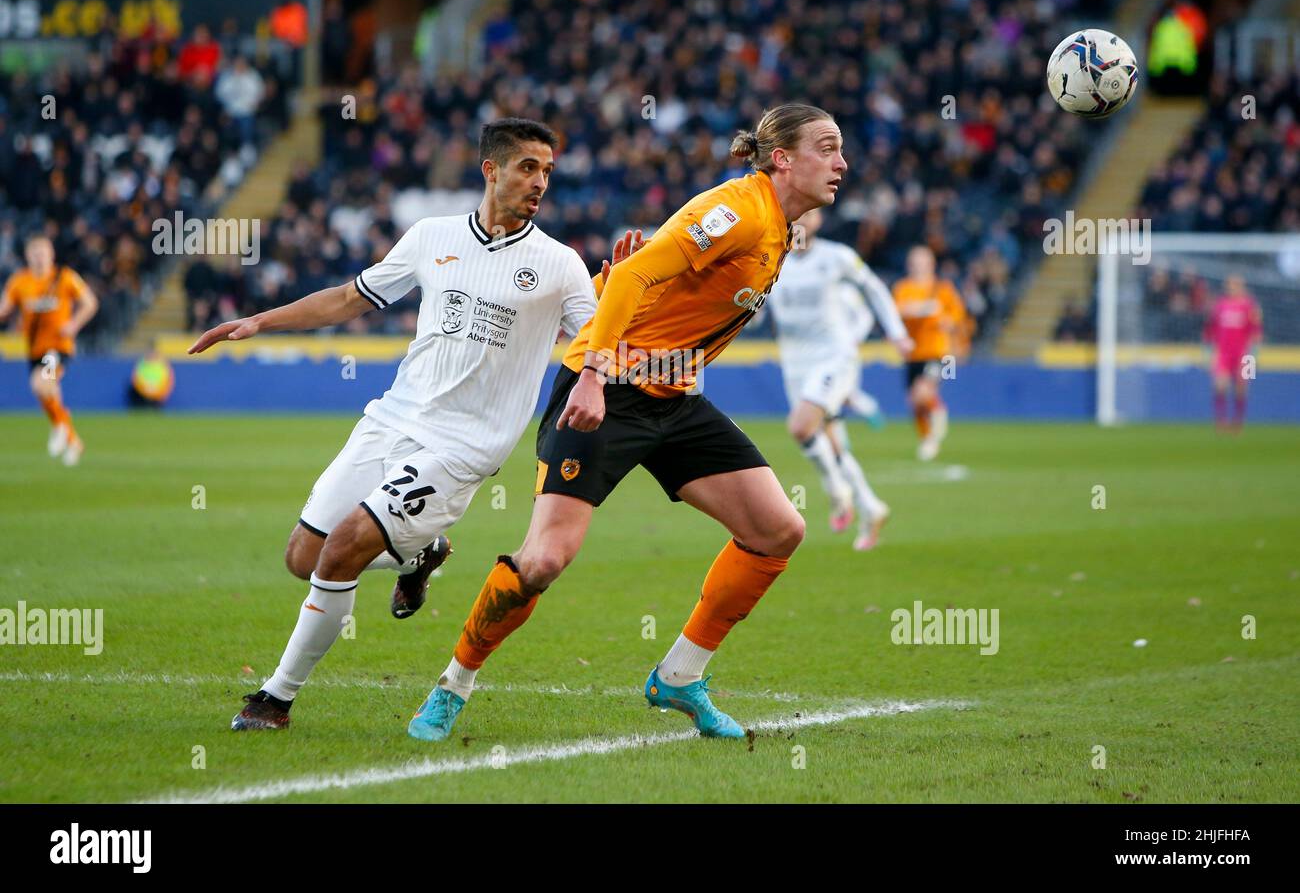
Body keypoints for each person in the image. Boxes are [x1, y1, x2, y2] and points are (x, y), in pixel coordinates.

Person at [407, 103, 845, 743]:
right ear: (782, 158)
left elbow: (640, 274)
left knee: (777, 529)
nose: (841, 163)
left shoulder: (778, 225)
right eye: (827, 148)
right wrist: (591, 374)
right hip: (607, 389)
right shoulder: (739, 211)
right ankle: (453, 685)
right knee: (545, 560)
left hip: (672, 396)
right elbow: (637, 272)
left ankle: (680, 676)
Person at [188, 118, 623, 731]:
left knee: (340, 551)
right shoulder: (431, 237)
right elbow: (346, 298)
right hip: (393, 417)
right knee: (302, 556)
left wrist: (594, 377)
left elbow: (599, 334)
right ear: (490, 170)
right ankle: (418, 557)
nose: (540, 182)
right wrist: (261, 321)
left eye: (547, 171)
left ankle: (275, 699)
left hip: (464, 445)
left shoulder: (559, 264)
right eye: (528, 167)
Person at [765, 207, 912, 549]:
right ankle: (871, 506)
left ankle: (838, 492)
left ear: (818, 220)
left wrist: (897, 332)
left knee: (800, 427)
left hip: (834, 358)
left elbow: (874, 289)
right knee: (832, 444)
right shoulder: (773, 260)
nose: (801, 220)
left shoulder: (837, 257)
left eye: (809, 214)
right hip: (795, 366)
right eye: (795, 214)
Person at [0, 235, 99, 466]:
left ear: (51, 254)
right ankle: (71, 438)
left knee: (41, 383)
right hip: (35, 348)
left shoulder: (64, 277)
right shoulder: (19, 281)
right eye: (34, 252)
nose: (39, 256)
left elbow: (90, 303)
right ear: (27, 256)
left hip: (58, 346)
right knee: (44, 390)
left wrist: (74, 325)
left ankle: (60, 427)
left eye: (43, 252)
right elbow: (4, 308)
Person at [892, 246, 967, 461]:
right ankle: (928, 439)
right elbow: (896, 311)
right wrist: (917, 310)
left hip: (936, 351)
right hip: (912, 354)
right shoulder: (903, 288)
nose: (918, 265)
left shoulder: (942, 289)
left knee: (922, 393)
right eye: (914, 260)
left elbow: (957, 315)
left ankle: (939, 414)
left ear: (931, 264)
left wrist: (948, 322)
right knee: (914, 402)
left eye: (922, 260)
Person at [1203, 274, 1261, 431]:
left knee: (1241, 388)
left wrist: (1254, 356)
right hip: (1223, 353)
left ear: (1242, 286)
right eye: (1230, 284)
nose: (1232, 287)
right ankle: (1221, 421)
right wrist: (1208, 353)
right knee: (1220, 385)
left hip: (1244, 354)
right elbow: (1210, 329)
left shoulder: (1250, 305)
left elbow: (1256, 331)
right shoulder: (1220, 305)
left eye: (1236, 284)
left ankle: (1238, 421)